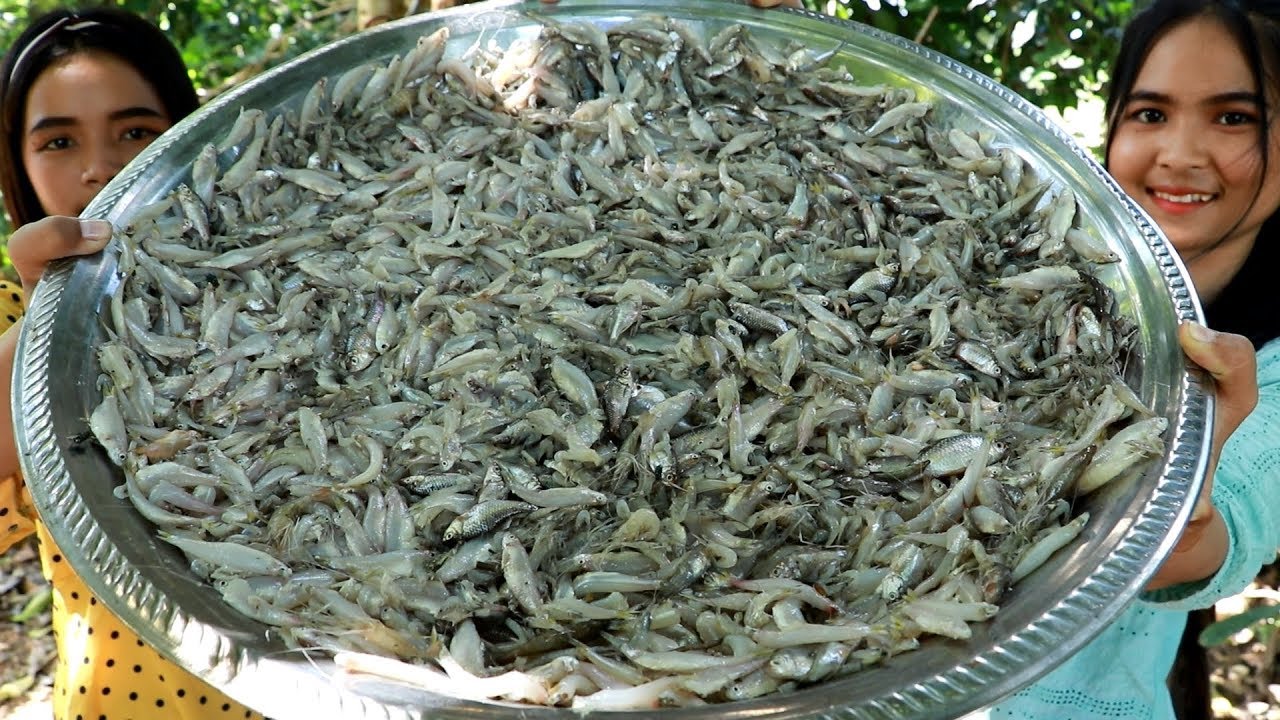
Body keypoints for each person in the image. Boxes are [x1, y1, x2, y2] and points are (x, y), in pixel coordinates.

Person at [0, 8, 268, 719]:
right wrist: (47, 335)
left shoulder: (271, 273)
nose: (101, 166)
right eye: (58, 141)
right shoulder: (8, 315)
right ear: (18, 169)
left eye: (136, 131)